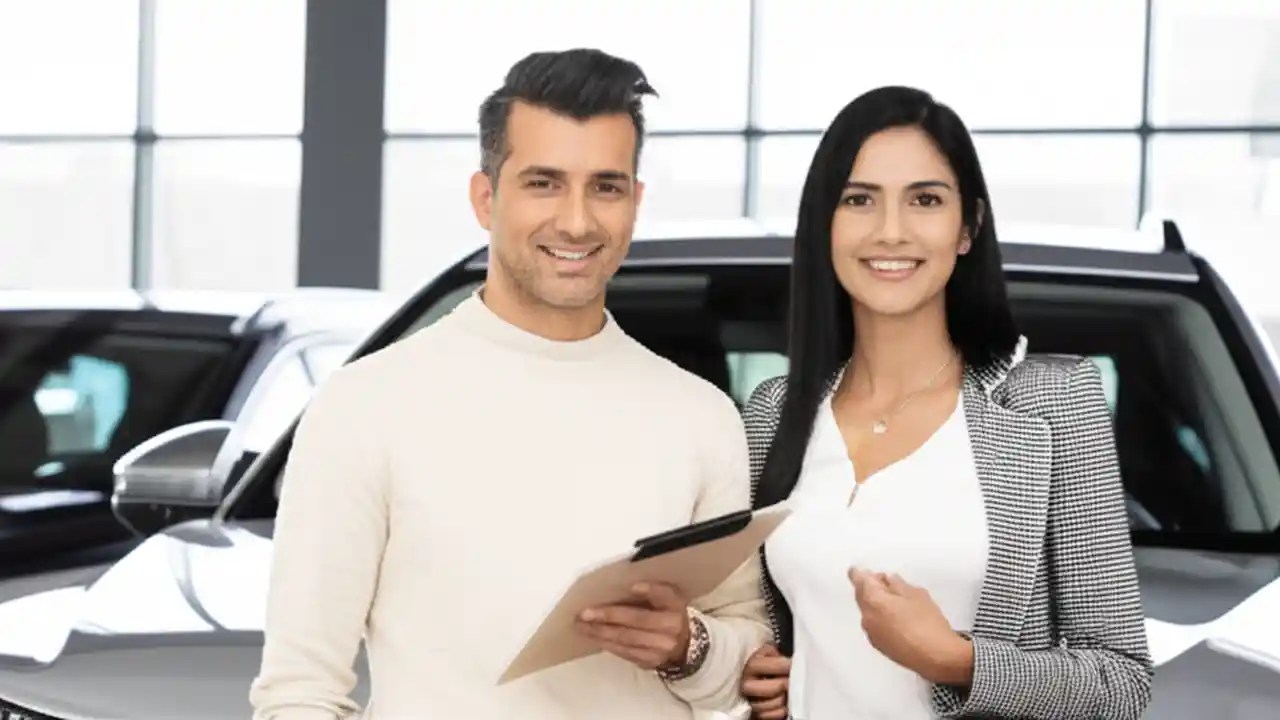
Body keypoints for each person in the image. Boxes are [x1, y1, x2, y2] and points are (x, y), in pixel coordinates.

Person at [249, 48, 769, 719]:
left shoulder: (700, 416)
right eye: (544, 183)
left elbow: (750, 664)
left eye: (605, 187)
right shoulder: (368, 404)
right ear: (486, 197)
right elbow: (301, 691)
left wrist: (688, 647)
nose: (577, 221)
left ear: (635, 204)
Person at [737, 86, 1153, 720]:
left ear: (968, 228)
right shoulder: (772, 412)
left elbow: (1122, 683)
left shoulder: (1051, 401)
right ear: (825, 224)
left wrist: (953, 660)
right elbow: (769, 628)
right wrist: (764, 676)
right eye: (859, 200)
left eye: (925, 200)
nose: (892, 231)